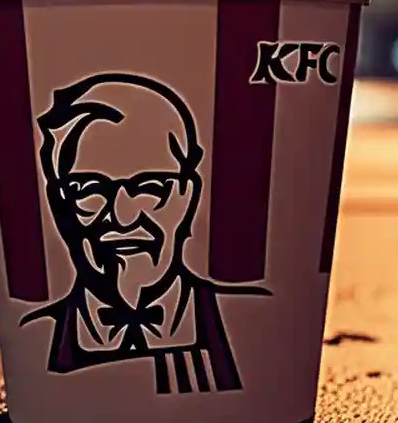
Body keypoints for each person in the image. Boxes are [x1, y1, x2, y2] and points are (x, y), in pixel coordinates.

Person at [23, 72, 268, 394]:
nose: (123, 217)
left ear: (187, 196)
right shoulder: (33, 338)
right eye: (90, 189)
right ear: (59, 204)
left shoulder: (253, 321)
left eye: (151, 187)